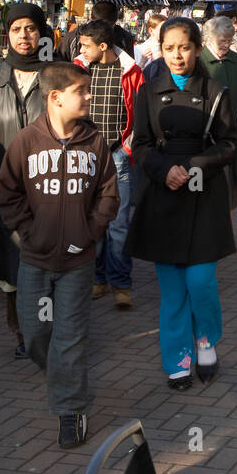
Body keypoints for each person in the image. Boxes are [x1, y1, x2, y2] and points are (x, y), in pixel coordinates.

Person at [0, 62, 119, 448]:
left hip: (78, 262)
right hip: (34, 260)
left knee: (70, 337)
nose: (89, 96)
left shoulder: (95, 141)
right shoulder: (25, 142)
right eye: (81, 90)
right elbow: (7, 192)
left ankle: (71, 409)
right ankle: (64, 378)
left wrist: (91, 232)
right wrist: (27, 233)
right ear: (55, 98)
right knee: (35, 335)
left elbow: (108, 193)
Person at [124, 18, 237, 389]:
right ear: (161, 48)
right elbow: (139, 144)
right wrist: (164, 170)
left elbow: (230, 144)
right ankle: (177, 355)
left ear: (196, 47)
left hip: (205, 195)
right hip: (163, 194)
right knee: (172, 287)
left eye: (184, 47)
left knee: (201, 281)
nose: (177, 55)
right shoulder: (148, 90)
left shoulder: (216, 91)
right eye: (170, 48)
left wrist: (192, 167)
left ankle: (205, 339)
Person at [0, 2, 51, 357]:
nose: (24, 36)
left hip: (49, 191)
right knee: (12, 269)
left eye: (30, 28)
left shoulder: (54, 78)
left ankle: (47, 335)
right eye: (16, 29)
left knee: (48, 267)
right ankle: (21, 335)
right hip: (6, 193)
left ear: (40, 32)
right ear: (8, 35)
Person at [75, 19, 144, 309]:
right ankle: (98, 279)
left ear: (102, 46)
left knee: (119, 223)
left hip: (118, 154)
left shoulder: (131, 71)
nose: (80, 50)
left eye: (85, 45)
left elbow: (140, 114)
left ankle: (121, 284)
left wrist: (130, 146)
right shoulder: (79, 69)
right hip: (87, 155)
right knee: (93, 222)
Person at [200, 16, 237, 210]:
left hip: (232, 137)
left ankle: (226, 238)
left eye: (230, 40)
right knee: (205, 194)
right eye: (222, 41)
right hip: (205, 143)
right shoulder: (198, 62)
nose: (227, 45)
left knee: (230, 195)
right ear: (208, 39)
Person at [62, 1, 129, 60]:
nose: (81, 51)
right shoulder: (73, 38)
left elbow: (129, 66)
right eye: (97, 27)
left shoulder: (124, 39)